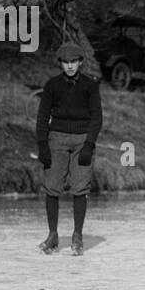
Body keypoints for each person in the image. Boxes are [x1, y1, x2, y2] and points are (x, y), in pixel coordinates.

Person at [36, 40, 103, 256]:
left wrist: (89, 144)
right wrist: (43, 145)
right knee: (52, 187)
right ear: (60, 64)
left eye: (74, 61)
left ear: (81, 62)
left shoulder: (90, 85)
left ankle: (77, 235)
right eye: (66, 62)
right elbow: (42, 117)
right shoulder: (52, 85)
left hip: (83, 140)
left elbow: (97, 118)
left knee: (80, 188)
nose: (70, 66)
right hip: (57, 139)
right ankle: (53, 234)